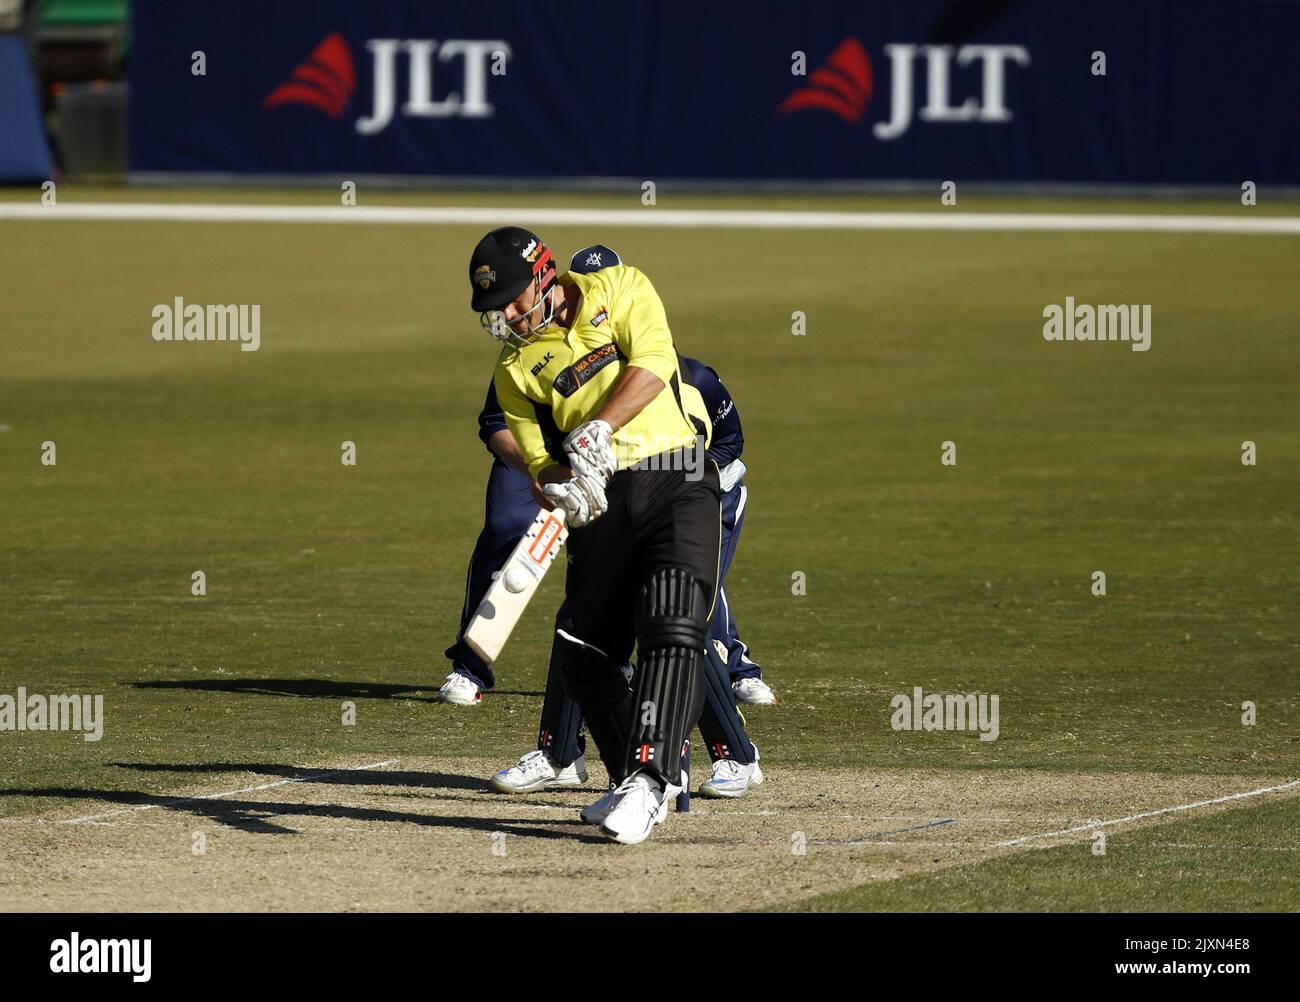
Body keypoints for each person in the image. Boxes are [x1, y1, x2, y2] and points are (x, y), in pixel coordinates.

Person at [465, 225, 721, 843]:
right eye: (493, 309)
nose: (506, 316)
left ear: (546, 274)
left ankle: (651, 779)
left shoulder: (622, 286)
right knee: (583, 655)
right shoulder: (514, 369)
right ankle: (630, 778)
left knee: (672, 618)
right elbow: (535, 460)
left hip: (677, 473)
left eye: (514, 300)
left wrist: (599, 427)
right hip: (604, 505)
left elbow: (656, 361)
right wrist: (559, 484)